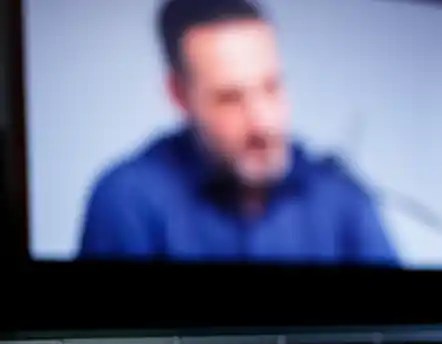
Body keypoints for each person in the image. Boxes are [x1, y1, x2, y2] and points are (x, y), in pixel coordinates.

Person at [78, 0, 400, 266]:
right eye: (230, 98)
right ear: (179, 94)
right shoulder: (128, 200)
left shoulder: (340, 194)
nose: (263, 123)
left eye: (271, 87)